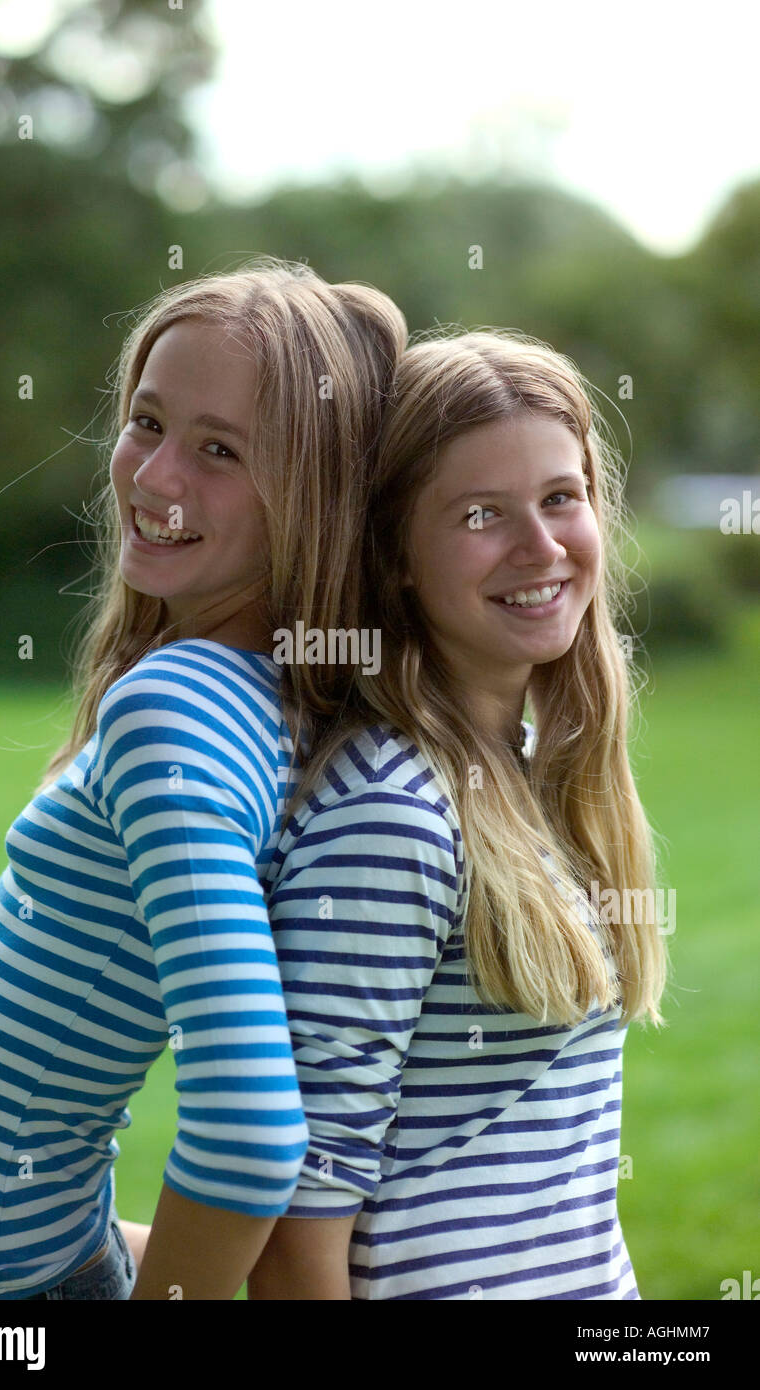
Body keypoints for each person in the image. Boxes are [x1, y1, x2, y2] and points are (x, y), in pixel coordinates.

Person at [0, 258, 407, 1300]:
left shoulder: (173, 709)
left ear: (311, 492)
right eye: (147, 422)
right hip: (29, 1250)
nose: (157, 476)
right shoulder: (258, 696)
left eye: (218, 450)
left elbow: (252, 1131)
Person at [249, 328, 671, 1300]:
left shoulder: (534, 770)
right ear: (394, 554)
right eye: (481, 514)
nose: (540, 547)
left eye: (560, 498)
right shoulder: (390, 814)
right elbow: (299, 1222)